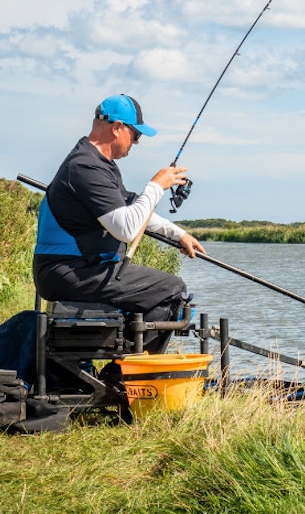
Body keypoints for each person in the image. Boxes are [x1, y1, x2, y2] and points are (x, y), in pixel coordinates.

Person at [33, 93, 205, 353]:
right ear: (117, 128)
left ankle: (122, 364)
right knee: (172, 290)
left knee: (160, 290)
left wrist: (177, 234)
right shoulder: (85, 167)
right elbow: (126, 229)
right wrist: (157, 185)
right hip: (67, 271)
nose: (136, 142)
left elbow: (133, 208)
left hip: (77, 268)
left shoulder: (99, 164)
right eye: (136, 135)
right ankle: (126, 379)